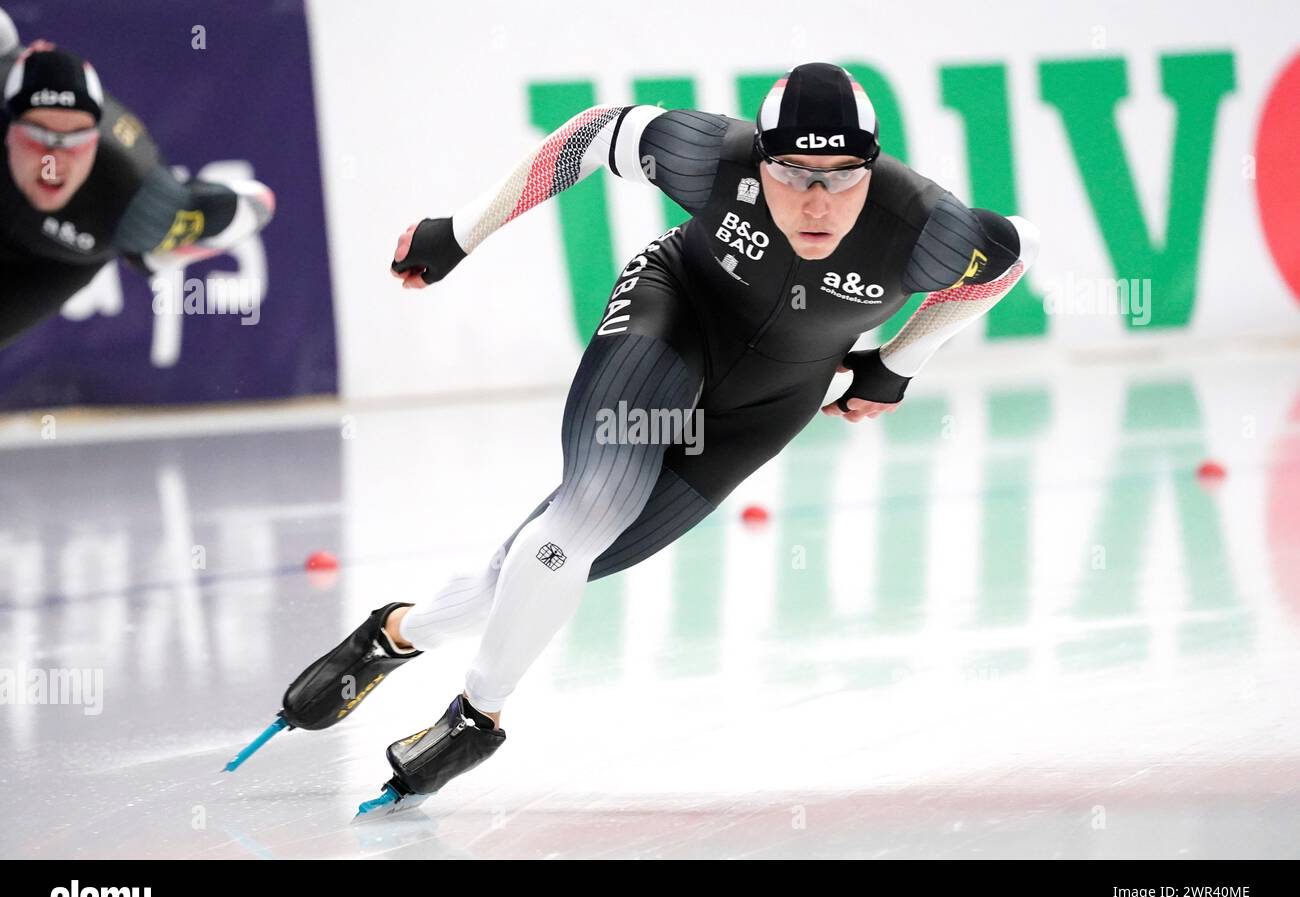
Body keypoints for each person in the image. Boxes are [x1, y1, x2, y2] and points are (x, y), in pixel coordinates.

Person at [276, 62, 1040, 811]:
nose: (815, 200)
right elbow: (591, 135)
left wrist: (900, 364)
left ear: (872, 165)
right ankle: (478, 718)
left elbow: (1012, 258)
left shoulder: (927, 229)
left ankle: (395, 635)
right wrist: (458, 233)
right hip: (672, 320)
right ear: (759, 157)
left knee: (544, 566)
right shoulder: (711, 154)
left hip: (769, 401)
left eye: (841, 175)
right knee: (580, 521)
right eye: (791, 171)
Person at [0, 36, 276, 348]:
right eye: (40, 136)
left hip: (57, 263)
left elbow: (254, 204)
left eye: (75, 140)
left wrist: (165, 255)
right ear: (9, 128)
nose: (54, 162)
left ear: (95, 142)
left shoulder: (137, 200)